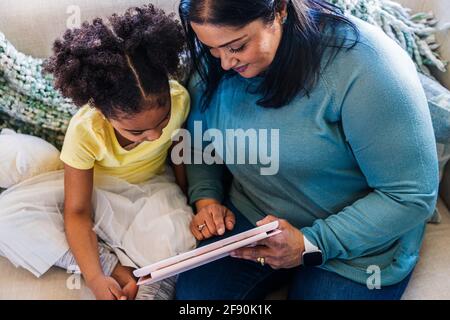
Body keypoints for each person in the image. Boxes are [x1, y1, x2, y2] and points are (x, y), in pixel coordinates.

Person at [175, 0, 439, 300]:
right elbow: (198, 140)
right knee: (195, 299)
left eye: (237, 47)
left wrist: (309, 244)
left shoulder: (365, 67)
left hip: (359, 242)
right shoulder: (216, 56)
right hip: (254, 216)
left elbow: (411, 195)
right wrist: (207, 198)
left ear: (280, 9)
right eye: (212, 49)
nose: (224, 63)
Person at [0, 5, 196, 300]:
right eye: (138, 132)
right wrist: (95, 275)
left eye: (162, 121)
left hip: (152, 187)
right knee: (10, 218)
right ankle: (111, 261)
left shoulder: (179, 98)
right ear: (104, 115)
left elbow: (181, 155)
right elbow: (77, 210)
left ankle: (150, 288)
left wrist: (189, 199)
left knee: (177, 235)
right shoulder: (86, 130)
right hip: (95, 189)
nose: (155, 135)